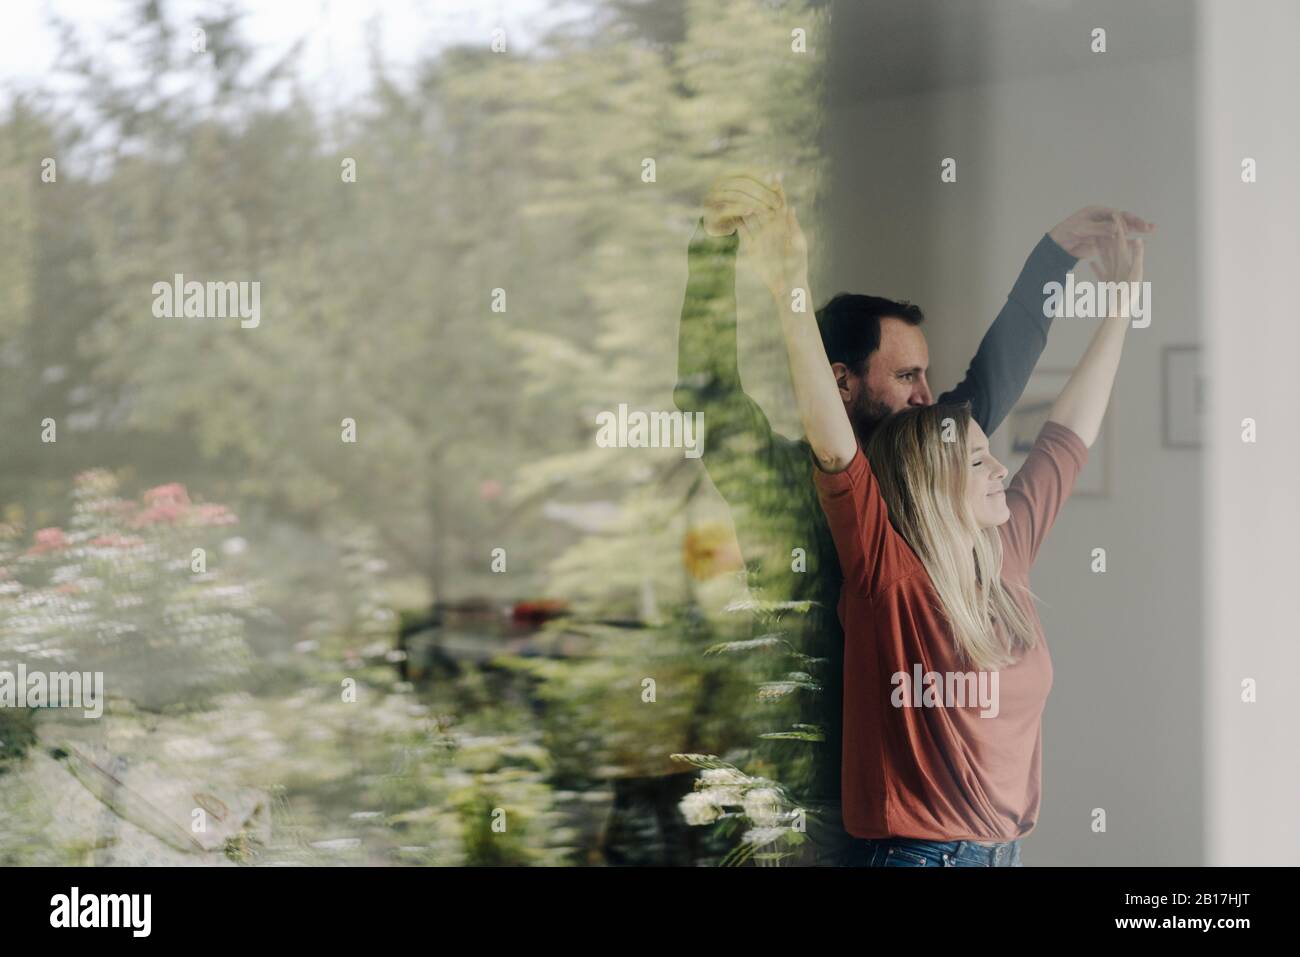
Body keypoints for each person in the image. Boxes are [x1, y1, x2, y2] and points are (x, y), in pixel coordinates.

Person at [674, 170, 1151, 865]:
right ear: (842, 381)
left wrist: (1060, 261)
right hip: (841, 807)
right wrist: (723, 256)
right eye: (907, 377)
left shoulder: (964, 499)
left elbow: (1011, 389)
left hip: (982, 839)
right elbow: (714, 394)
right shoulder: (824, 495)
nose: (932, 398)